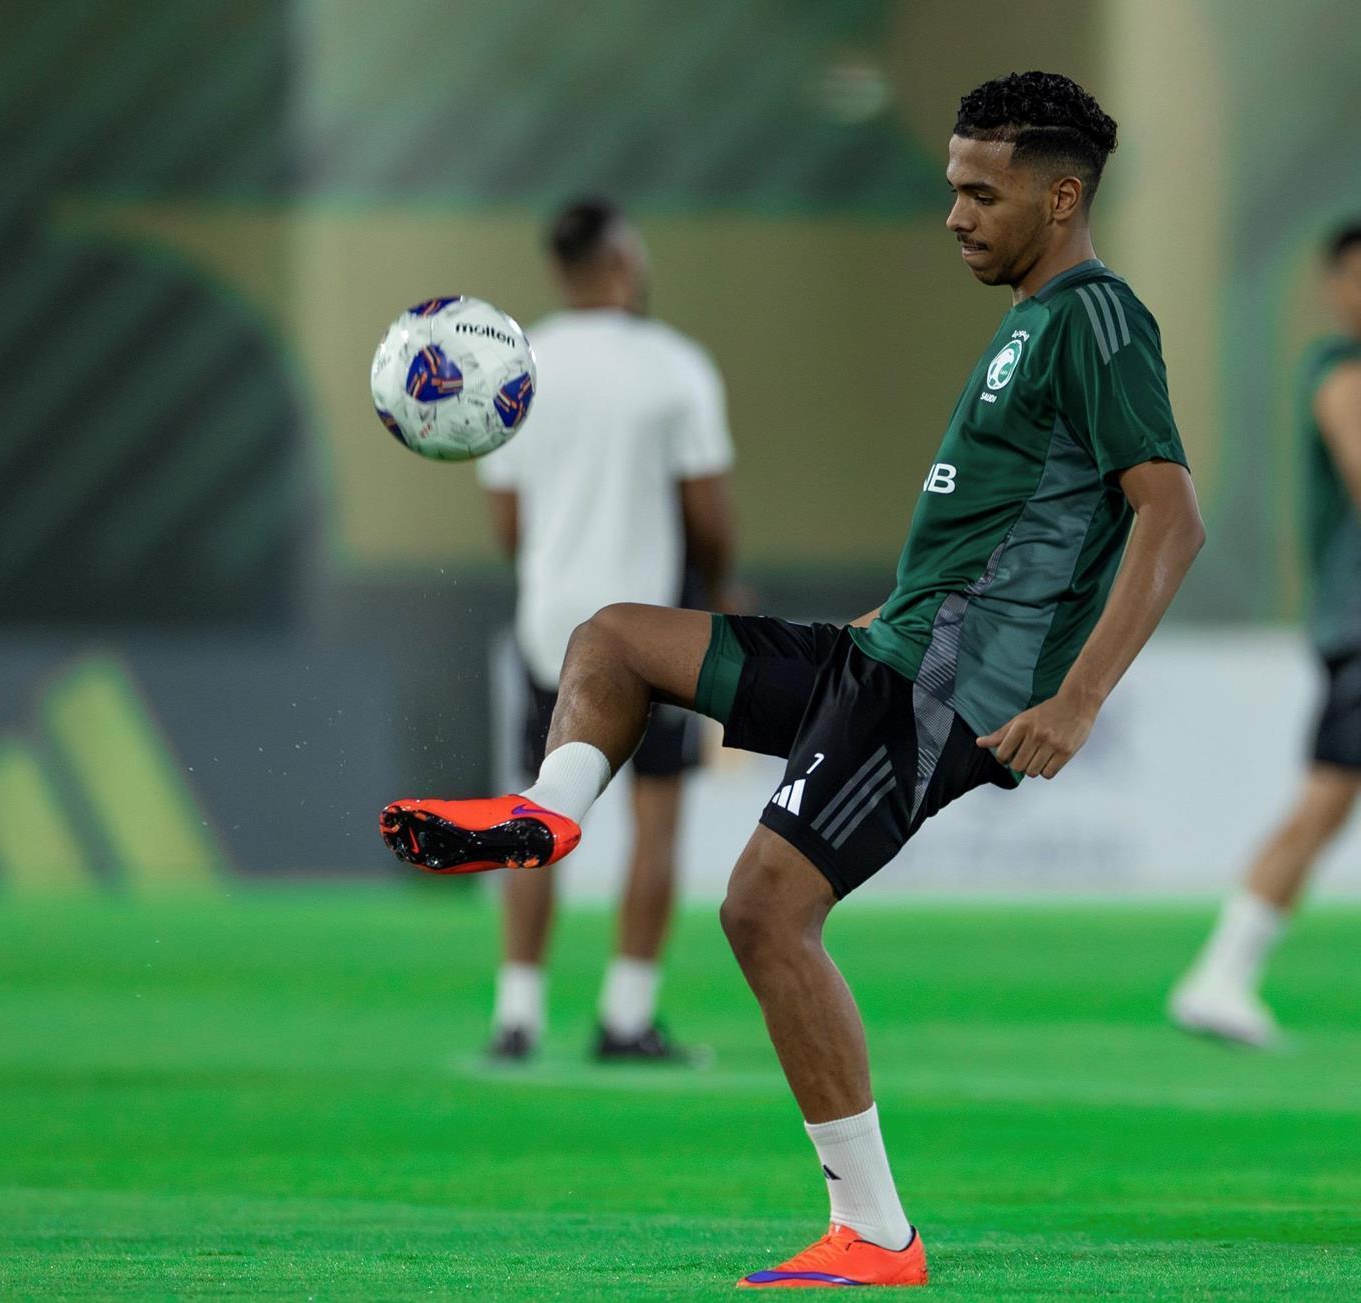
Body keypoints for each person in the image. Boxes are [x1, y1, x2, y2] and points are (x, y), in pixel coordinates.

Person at [382, 71, 1204, 1288]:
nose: (954, 215)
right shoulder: (1031, 318)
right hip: (885, 651)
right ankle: (548, 817)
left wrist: (1076, 697)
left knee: (765, 910)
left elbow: (1170, 518)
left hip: (942, 693)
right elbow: (996, 530)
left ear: (1062, 194)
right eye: (950, 189)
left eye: (981, 192)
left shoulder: (1097, 319)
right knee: (609, 639)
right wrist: (875, 619)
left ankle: (875, 1235)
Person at [475, 198, 737, 1062]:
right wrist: (725, 589)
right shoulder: (674, 367)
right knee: (656, 821)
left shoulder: (519, 367)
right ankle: (626, 1014)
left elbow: (506, 523)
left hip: (548, 621)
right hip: (649, 628)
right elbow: (709, 515)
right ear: (624, 257)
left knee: (535, 807)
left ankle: (516, 1015)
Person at [1170, 223, 1361, 1048]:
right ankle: (1222, 971)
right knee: (1325, 799)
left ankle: (1225, 969)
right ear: (1333, 287)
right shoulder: (1339, 371)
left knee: (1328, 800)